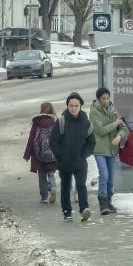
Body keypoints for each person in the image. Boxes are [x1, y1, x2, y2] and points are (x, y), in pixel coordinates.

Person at [49, 92, 95, 222]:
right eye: (71, 105)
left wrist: (84, 154)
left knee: (81, 185)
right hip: (65, 162)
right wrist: (60, 156)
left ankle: (84, 209)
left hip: (80, 161)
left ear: (80, 106)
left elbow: (91, 142)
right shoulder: (61, 121)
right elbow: (53, 141)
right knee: (65, 187)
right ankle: (67, 212)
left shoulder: (86, 122)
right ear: (67, 106)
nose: (73, 108)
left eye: (76, 105)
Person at [90, 87, 129, 215]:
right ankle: (103, 203)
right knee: (104, 174)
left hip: (112, 150)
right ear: (98, 99)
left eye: (107, 98)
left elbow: (124, 128)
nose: (106, 101)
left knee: (111, 177)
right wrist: (115, 124)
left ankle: (109, 201)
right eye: (103, 98)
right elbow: (100, 130)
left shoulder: (113, 111)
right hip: (100, 149)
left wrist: (119, 136)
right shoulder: (94, 112)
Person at [23, 102, 59, 204]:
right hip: (52, 154)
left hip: (38, 154)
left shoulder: (37, 121)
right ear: (52, 110)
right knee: (51, 173)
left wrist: (27, 154)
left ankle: (44, 197)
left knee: (42, 175)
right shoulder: (55, 121)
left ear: (41, 110)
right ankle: (52, 186)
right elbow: (59, 138)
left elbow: (31, 138)